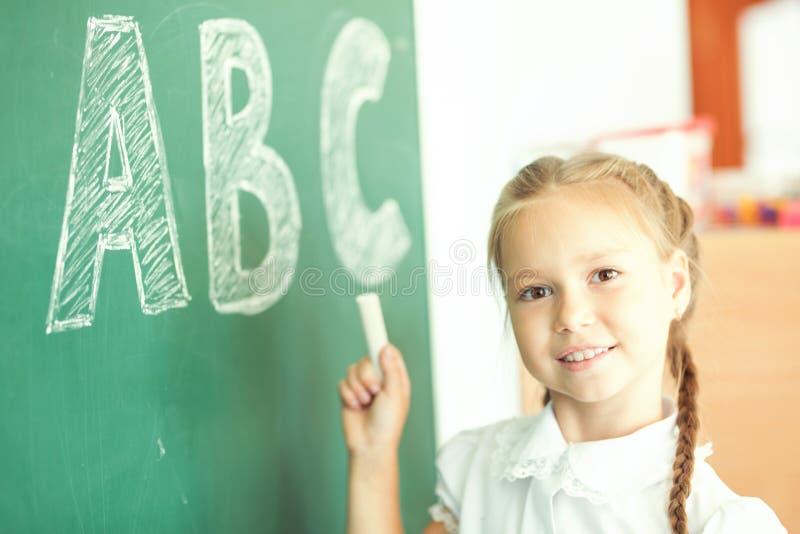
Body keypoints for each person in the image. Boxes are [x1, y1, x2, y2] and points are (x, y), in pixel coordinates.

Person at [337, 152, 788, 533]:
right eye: (536, 292)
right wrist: (374, 459)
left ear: (674, 286)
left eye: (604, 275)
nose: (570, 316)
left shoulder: (723, 522)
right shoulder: (475, 471)